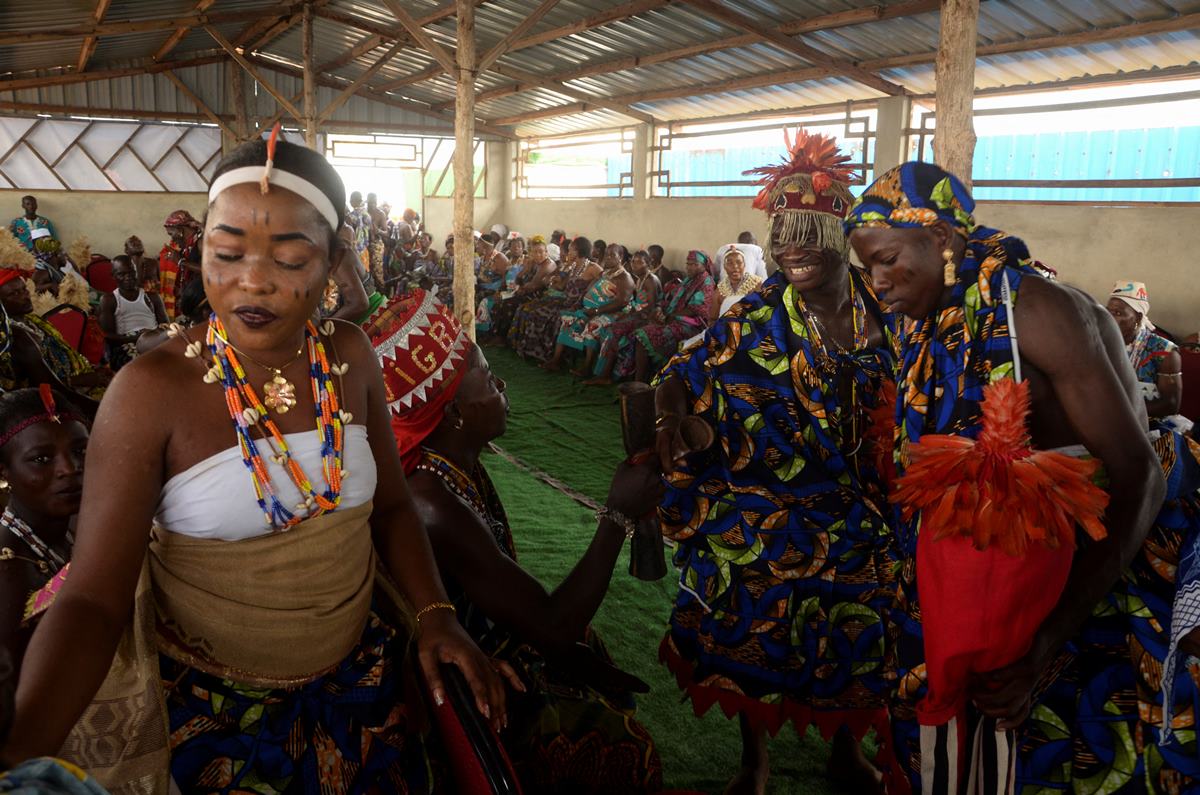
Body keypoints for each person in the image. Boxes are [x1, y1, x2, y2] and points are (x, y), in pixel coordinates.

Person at [2, 131, 506, 793]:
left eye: (291, 256)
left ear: (334, 261)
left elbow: (388, 508)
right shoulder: (151, 390)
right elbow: (94, 599)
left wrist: (435, 613)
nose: (253, 280)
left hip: (361, 695)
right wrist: (22, 753)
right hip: (213, 721)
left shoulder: (350, 357)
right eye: (228, 251)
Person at [844, 161, 1176, 793]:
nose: (878, 283)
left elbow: (1142, 480)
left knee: (1024, 763)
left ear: (941, 239)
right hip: (970, 590)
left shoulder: (1037, 312)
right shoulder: (934, 313)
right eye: (868, 269)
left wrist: (1045, 644)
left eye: (887, 260)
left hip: (1056, 597)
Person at [653, 133, 898, 795]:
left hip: (860, 506)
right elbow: (680, 372)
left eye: (808, 232)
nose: (792, 248)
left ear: (841, 233)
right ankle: (753, 761)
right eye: (781, 231)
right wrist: (671, 419)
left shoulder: (890, 316)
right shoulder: (753, 317)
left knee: (875, 603)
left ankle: (847, 748)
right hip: (764, 502)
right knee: (746, 583)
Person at [368, 289, 664, 793]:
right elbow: (551, 625)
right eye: (487, 378)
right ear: (456, 414)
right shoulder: (430, 500)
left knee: (588, 649)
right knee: (625, 747)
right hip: (469, 672)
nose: (501, 385)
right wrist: (617, 514)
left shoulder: (448, 469)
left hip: (494, 634)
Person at [0, 386, 88, 682]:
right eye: (41, 459)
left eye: (80, 451)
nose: (70, 469)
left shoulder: (77, 523)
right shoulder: (9, 570)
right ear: (4, 472)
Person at [0, 270, 109, 405]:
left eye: (24, 289)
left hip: (78, 385)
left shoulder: (32, 320)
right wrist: (85, 383)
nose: (25, 296)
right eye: (14, 294)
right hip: (59, 401)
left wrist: (91, 372)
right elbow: (46, 389)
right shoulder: (17, 336)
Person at [1107, 281, 1191, 434]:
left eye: (1118, 313)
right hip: (1105, 418)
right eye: (1108, 312)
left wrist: (1119, 410)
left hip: (1150, 425)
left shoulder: (1165, 353)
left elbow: (1170, 405)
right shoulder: (1102, 343)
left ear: (1138, 317)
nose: (1110, 318)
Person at [543, 244, 635, 375]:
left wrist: (597, 311)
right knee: (568, 320)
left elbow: (622, 302)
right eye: (606, 254)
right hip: (592, 309)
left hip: (613, 313)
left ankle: (587, 367)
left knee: (593, 326)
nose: (608, 258)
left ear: (620, 257)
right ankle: (556, 361)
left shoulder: (624, 278)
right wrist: (579, 302)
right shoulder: (605, 273)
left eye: (612, 255)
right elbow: (589, 289)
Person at [507, 236, 598, 362]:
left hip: (577, 305)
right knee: (527, 309)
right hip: (564, 301)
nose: (568, 253)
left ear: (580, 251)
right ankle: (525, 348)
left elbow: (602, 280)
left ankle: (546, 354)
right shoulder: (572, 266)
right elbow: (561, 286)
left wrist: (590, 289)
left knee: (544, 315)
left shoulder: (592, 267)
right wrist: (555, 278)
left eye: (571, 250)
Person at [630, 250, 714, 382]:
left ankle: (639, 381)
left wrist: (670, 316)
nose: (689, 267)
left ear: (704, 265)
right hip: (674, 318)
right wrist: (659, 308)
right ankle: (645, 376)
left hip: (692, 325)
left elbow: (695, 309)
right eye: (688, 264)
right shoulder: (688, 280)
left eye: (694, 264)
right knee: (641, 327)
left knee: (642, 335)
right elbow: (669, 297)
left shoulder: (706, 282)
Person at [583, 250, 661, 385]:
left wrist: (632, 315)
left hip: (646, 319)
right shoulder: (641, 278)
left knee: (613, 331)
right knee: (612, 327)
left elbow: (651, 309)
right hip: (638, 315)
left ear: (648, 264)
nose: (635, 265)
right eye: (633, 261)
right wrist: (629, 313)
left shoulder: (650, 280)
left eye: (639, 262)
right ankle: (601, 372)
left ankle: (606, 375)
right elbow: (639, 304)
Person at [97, 255, 168, 370]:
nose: (128, 277)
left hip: (154, 336)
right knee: (144, 365)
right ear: (113, 276)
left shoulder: (152, 297)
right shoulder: (109, 300)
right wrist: (136, 338)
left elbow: (165, 325)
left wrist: (153, 335)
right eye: (122, 274)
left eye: (131, 272)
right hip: (127, 341)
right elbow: (107, 336)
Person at [480, 235, 554, 341]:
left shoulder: (547, 265)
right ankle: (493, 333)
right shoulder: (532, 262)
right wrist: (525, 271)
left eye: (541, 252)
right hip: (523, 292)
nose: (538, 255)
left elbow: (533, 285)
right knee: (500, 301)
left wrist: (519, 288)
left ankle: (502, 337)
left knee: (508, 303)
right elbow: (519, 277)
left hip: (536, 297)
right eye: (535, 252)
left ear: (546, 252)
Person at [159, 210, 201, 319]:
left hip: (202, 301)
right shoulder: (188, 246)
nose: (172, 238)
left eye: (171, 234)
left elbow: (210, 271)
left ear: (180, 230)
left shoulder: (201, 242)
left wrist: (180, 261)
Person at [709, 246, 764, 323]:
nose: (735, 266)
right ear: (724, 267)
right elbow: (712, 319)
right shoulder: (720, 290)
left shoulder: (756, 284)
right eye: (730, 263)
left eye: (739, 262)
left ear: (744, 265)